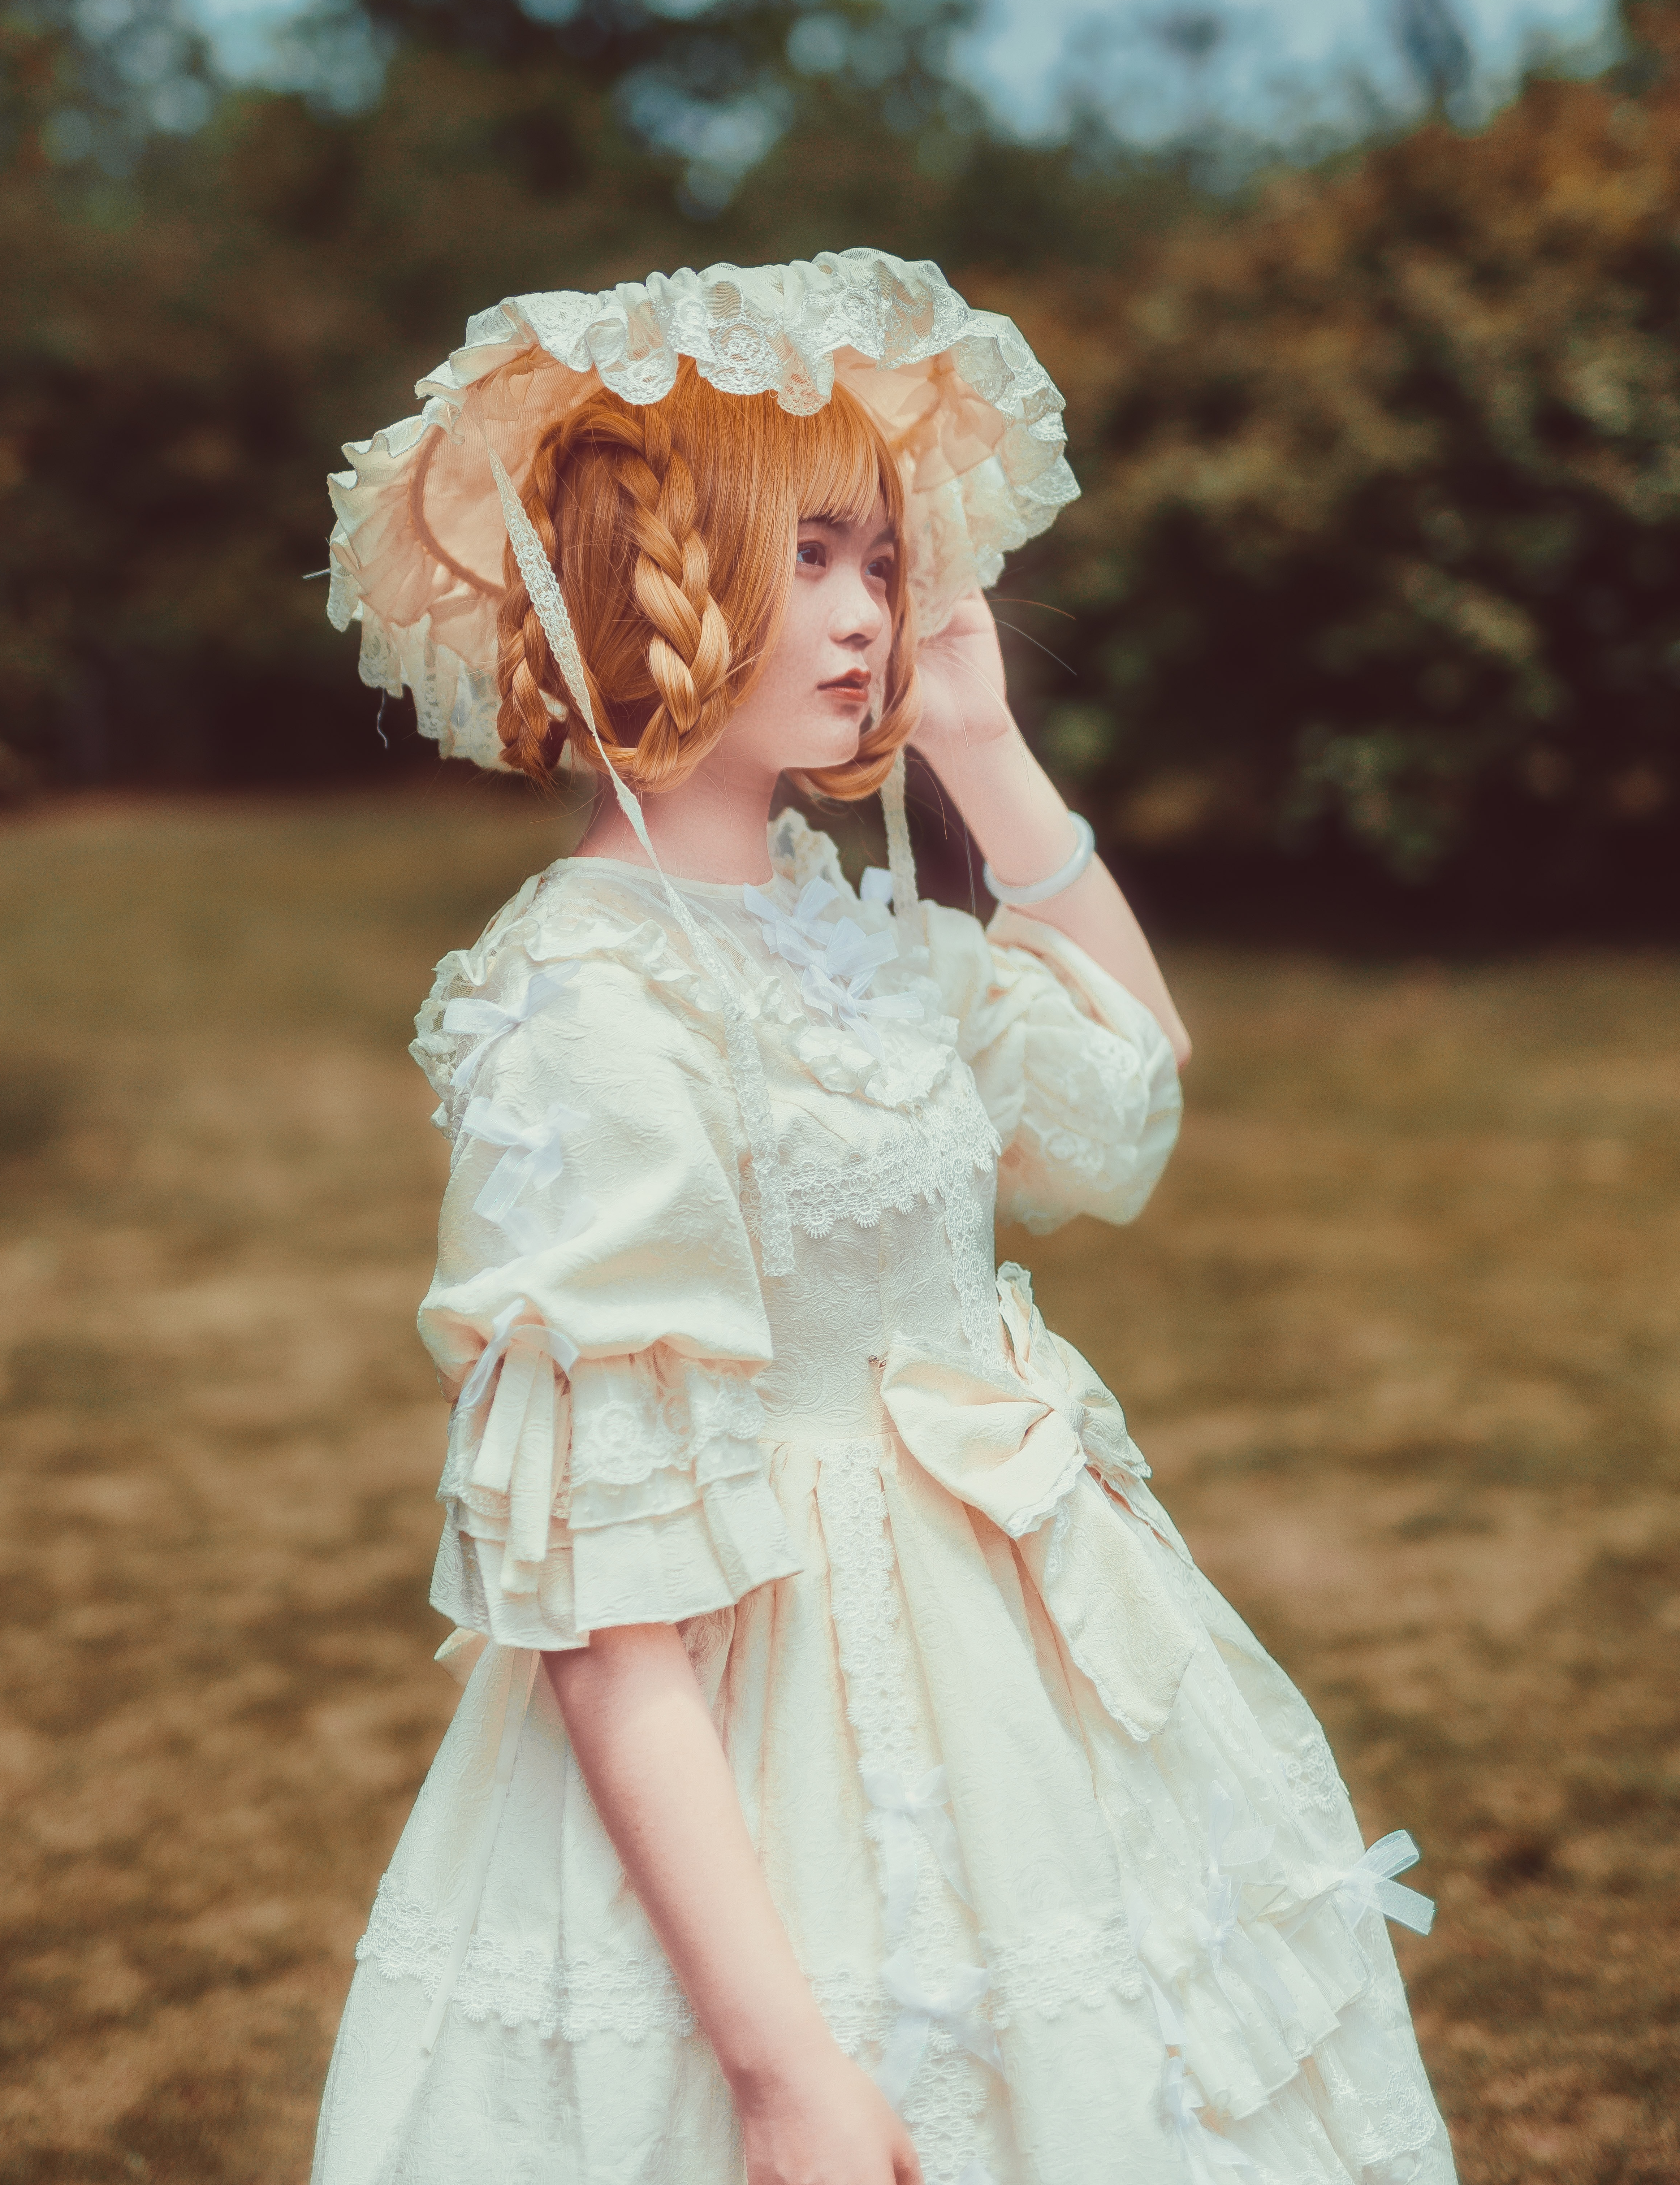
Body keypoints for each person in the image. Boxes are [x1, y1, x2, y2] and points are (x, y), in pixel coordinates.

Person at [310, 251, 1455, 2185]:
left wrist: (983, 755)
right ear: (655, 600)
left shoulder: (852, 936)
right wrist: (780, 2075)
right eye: (811, 559)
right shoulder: (596, 1002)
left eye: (874, 557)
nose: (870, 613)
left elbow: (1124, 1091)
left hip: (1013, 1653)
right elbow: (608, 1614)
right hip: (787, 1699)